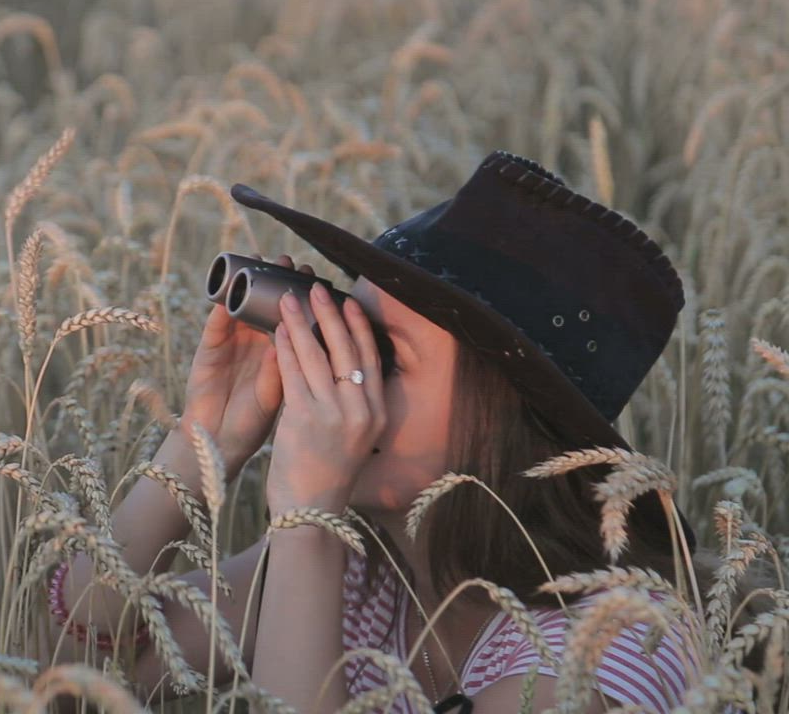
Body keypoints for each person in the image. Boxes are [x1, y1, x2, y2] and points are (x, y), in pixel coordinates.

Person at [44, 151, 712, 713]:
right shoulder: (371, 579)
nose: (338, 369)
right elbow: (76, 673)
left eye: (383, 355)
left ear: (503, 422)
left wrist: (306, 523)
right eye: (342, 327)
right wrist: (200, 446)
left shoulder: (597, 657)